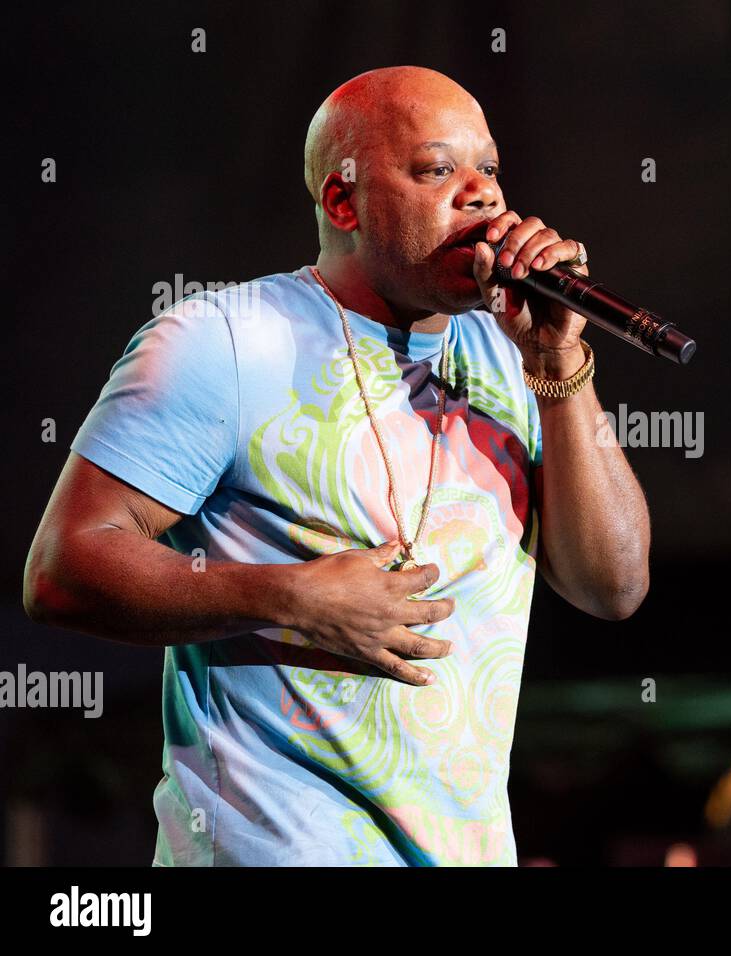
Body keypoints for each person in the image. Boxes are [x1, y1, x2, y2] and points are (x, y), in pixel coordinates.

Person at [22, 66, 651, 866]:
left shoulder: (512, 355)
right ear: (343, 201)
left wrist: (563, 364)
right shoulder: (225, 339)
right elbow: (63, 568)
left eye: (488, 169)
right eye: (436, 170)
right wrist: (289, 596)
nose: (482, 196)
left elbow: (615, 586)